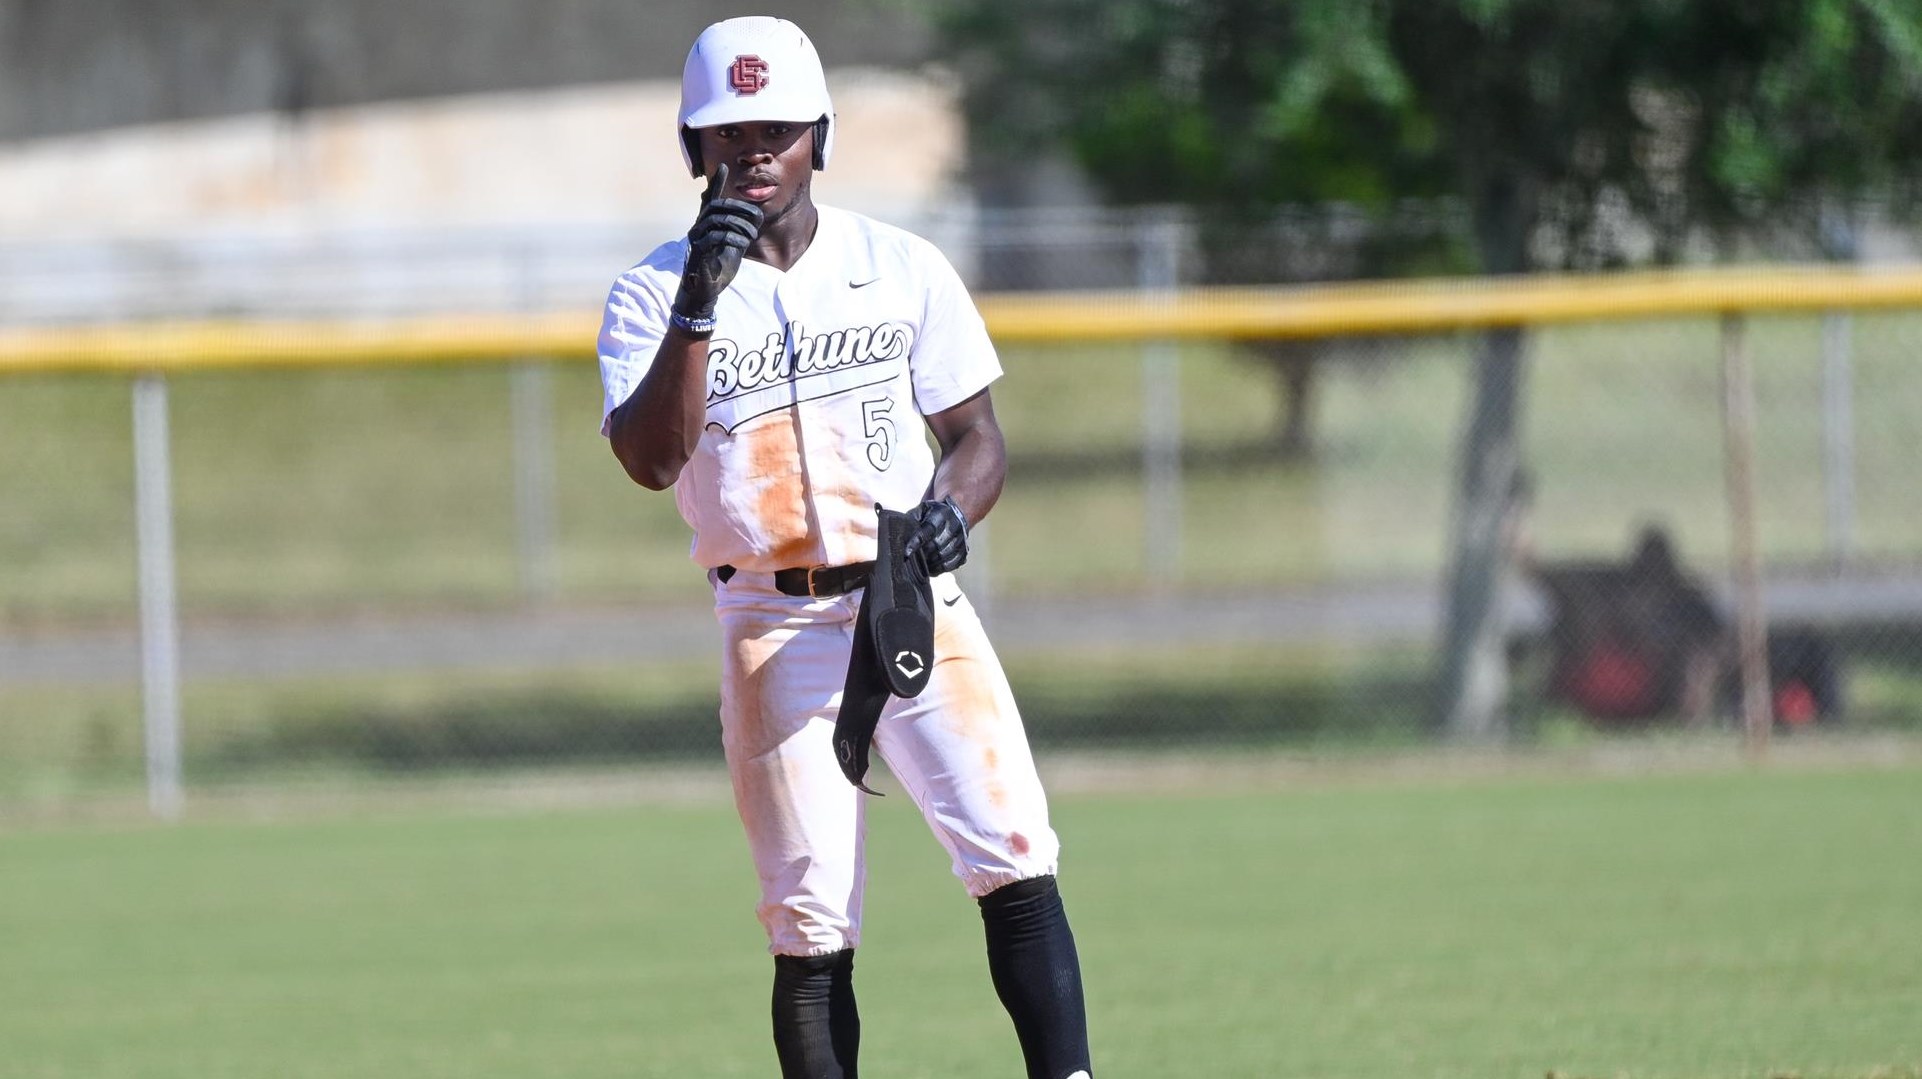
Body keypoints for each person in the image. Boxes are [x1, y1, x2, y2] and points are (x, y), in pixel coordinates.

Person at [596, 17, 1093, 1079]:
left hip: (911, 598)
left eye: (775, 127)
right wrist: (697, 303)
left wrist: (956, 505)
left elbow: (976, 439)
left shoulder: (897, 265)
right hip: (772, 619)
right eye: (727, 133)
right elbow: (648, 458)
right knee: (809, 917)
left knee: (1013, 854)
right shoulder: (650, 290)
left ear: (819, 135)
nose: (752, 152)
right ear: (693, 151)